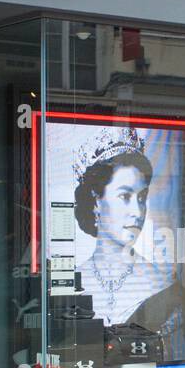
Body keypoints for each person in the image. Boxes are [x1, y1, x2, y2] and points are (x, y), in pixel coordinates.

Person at [72, 129, 173, 327]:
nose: (137, 211)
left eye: (142, 198)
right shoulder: (74, 279)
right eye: (124, 196)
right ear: (96, 201)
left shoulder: (158, 283)